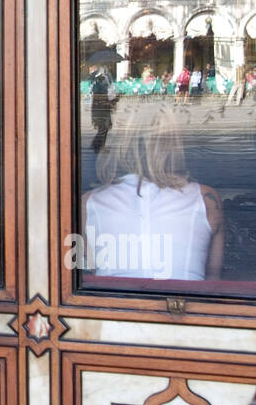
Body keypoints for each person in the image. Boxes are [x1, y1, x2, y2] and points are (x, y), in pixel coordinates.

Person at [83, 105, 223, 280]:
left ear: (121, 142)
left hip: (116, 303)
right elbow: (213, 281)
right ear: (174, 143)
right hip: (184, 304)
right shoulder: (207, 200)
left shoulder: (90, 202)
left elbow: (95, 271)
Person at [90, 66, 118, 153]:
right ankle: (98, 146)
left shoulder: (98, 88)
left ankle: (98, 145)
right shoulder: (100, 89)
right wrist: (114, 101)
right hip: (101, 112)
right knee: (103, 129)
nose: (105, 81)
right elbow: (103, 101)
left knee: (103, 129)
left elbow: (105, 101)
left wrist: (114, 100)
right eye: (104, 79)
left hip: (101, 111)